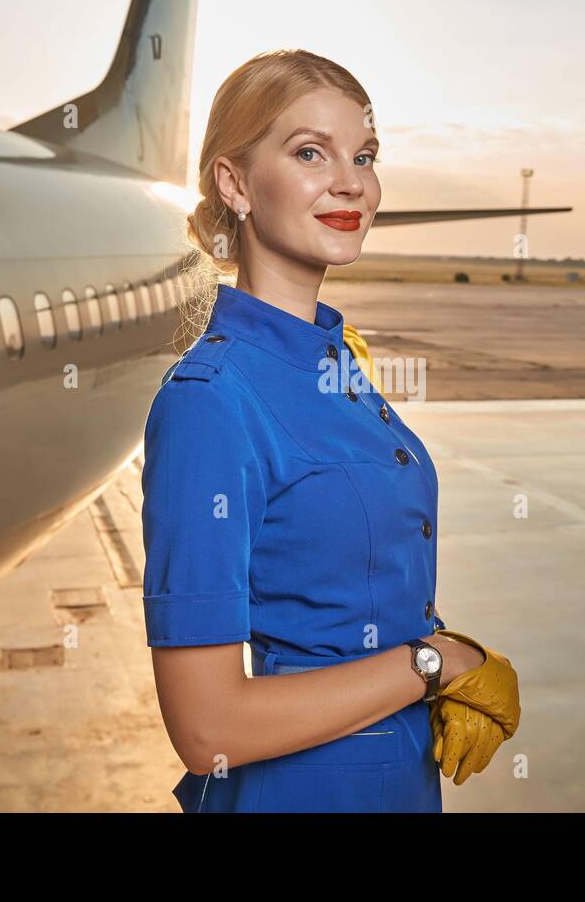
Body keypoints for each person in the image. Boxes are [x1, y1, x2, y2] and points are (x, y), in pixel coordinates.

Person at [141, 49, 519, 812]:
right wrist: (435, 662)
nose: (352, 183)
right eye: (311, 153)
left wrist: (441, 654)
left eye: (365, 156)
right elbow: (209, 728)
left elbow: (348, 584)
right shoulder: (210, 402)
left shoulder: (335, 365)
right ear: (235, 183)